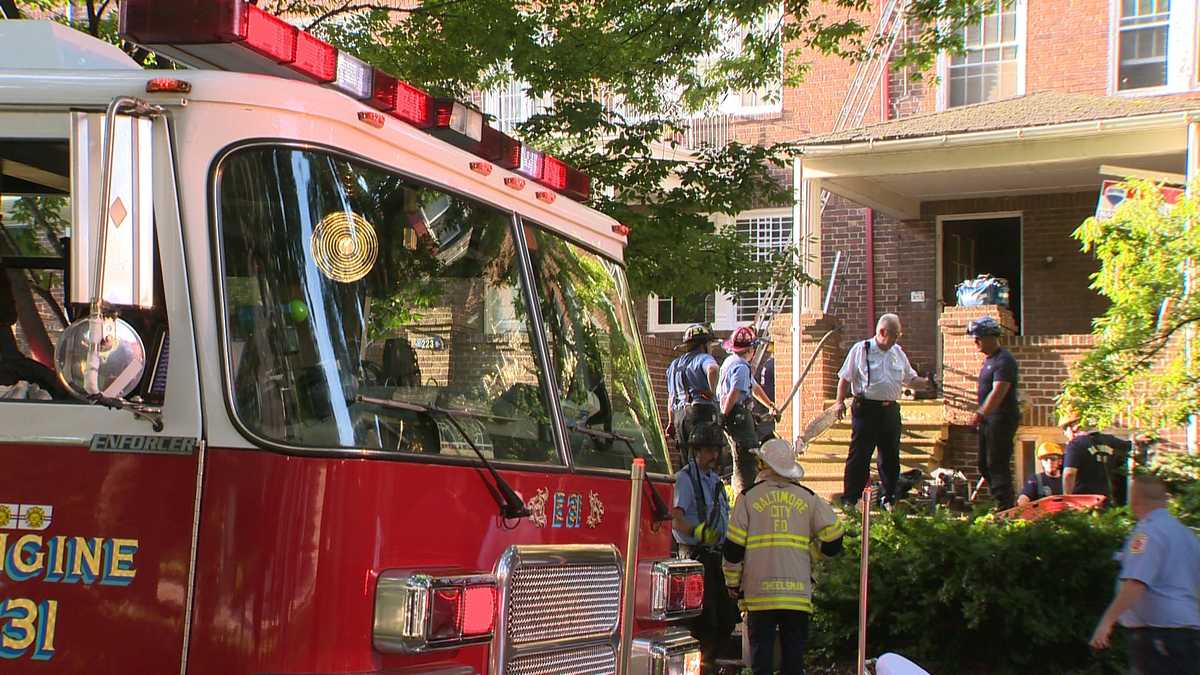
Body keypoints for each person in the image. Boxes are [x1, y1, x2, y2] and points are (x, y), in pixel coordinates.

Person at [723, 439, 845, 675]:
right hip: (797, 596)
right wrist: (811, 554)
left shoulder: (748, 498)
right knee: (793, 662)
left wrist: (732, 583)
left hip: (760, 596)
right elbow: (835, 538)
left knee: (761, 663)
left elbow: (733, 549)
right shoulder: (808, 498)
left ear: (762, 465)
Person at [1090, 475, 1200, 674]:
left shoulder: (1148, 534)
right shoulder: (1187, 535)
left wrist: (1106, 623)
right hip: (1188, 632)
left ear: (1134, 500)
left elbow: (1136, 583)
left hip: (1158, 635)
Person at [833, 313, 931, 509]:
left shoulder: (898, 353)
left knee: (890, 456)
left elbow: (910, 379)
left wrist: (927, 384)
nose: (895, 339)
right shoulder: (861, 350)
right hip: (866, 408)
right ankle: (851, 499)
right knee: (860, 455)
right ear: (882, 332)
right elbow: (845, 377)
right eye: (893, 335)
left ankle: (889, 498)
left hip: (890, 410)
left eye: (898, 336)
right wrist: (839, 402)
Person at [672, 424, 737, 671]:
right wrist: (696, 532)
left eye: (716, 450)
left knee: (726, 617)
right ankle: (701, 666)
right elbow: (675, 518)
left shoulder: (714, 481)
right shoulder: (685, 480)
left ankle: (710, 663)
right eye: (709, 450)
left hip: (716, 559)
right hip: (695, 558)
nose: (714, 456)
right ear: (695, 451)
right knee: (703, 622)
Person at [967, 316, 1020, 510]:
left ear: (991, 337)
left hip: (1001, 419)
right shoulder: (989, 361)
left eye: (979, 337)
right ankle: (999, 500)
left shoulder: (1004, 360)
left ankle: (1006, 505)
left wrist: (980, 413)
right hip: (988, 421)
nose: (975, 341)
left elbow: (999, 391)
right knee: (983, 463)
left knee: (996, 462)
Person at [718, 326, 777, 493]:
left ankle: (742, 496)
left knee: (740, 457)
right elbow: (734, 392)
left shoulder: (730, 362)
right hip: (737, 415)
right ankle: (746, 496)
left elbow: (755, 388)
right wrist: (725, 413)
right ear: (750, 349)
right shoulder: (742, 367)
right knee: (747, 460)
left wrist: (770, 405)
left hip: (735, 415)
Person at [665, 323, 720, 462]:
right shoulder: (703, 358)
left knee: (686, 462)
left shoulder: (674, 365)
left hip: (679, 418)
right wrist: (712, 392)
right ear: (704, 345)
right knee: (705, 461)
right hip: (700, 413)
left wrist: (671, 423)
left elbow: (671, 398)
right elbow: (713, 369)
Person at [1059, 409, 1134, 505]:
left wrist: (1067, 500)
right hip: (1106, 503)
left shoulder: (1075, 445)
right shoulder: (1111, 441)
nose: (1065, 434)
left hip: (1083, 505)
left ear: (1072, 428)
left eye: (1064, 430)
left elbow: (1069, 474)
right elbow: (1133, 448)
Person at [1016, 441, 1063, 505]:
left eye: (1053, 459)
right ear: (1041, 462)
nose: (1049, 462)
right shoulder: (1035, 479)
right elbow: (1023, 498)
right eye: (1045, 459)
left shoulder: (1067, 480)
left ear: (1060, 461)